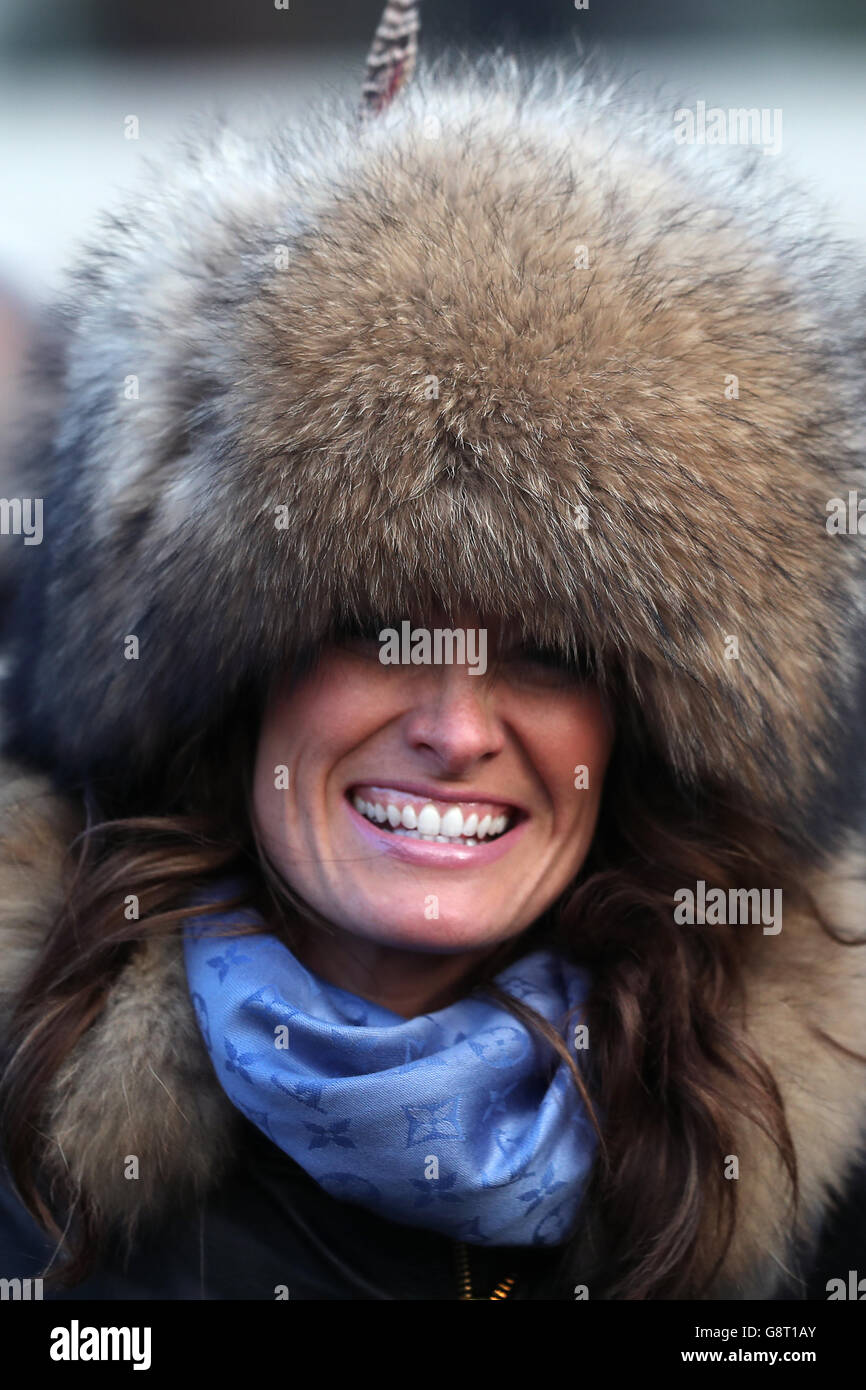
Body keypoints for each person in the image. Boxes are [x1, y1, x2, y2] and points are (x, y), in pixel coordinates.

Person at [0, 2, 865, 1301]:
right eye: (370, 629)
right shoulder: (31, 1174)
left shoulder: (809, 1181)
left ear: (646, 725)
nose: (456, 726)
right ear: (232, 674)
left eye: (549, 655)